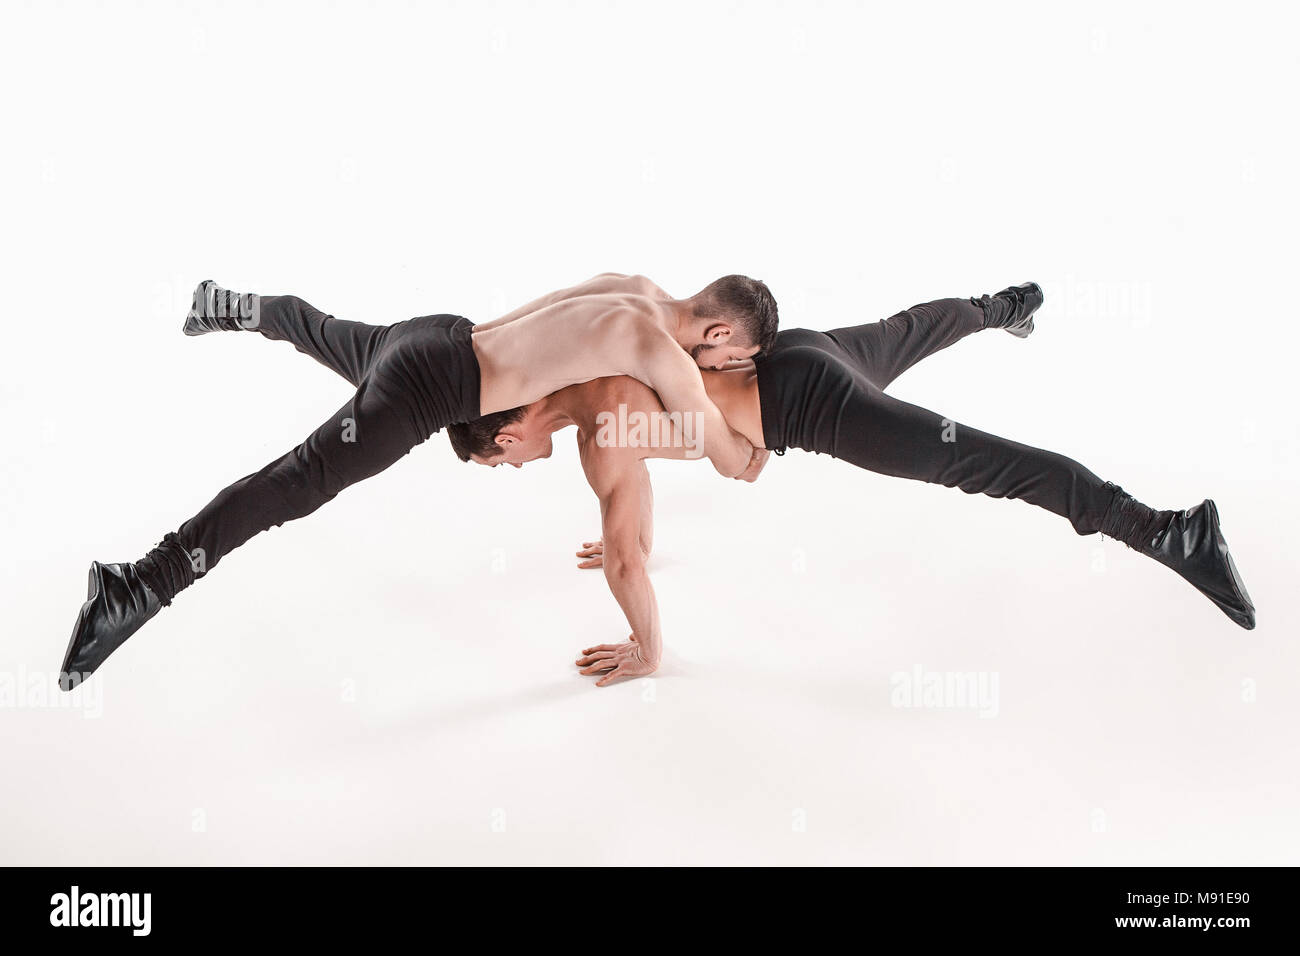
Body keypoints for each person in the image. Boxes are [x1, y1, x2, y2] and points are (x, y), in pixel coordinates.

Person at [447, 283, 1255, 685]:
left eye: (496, 462)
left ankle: (1166, 530)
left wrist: (648, 650)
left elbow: (646, 532)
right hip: (798, 351)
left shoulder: (597, 434)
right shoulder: (596, 352)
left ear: (508, 431)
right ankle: (1001, 306)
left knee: (986, 464)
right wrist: (639, 529)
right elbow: (638, 498)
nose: (508, 469)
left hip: (814, 406)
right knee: (907, 332)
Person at [59, 273, 779, 689]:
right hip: (430, 386)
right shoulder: (663, 350)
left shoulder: (636, 288)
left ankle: (222, 303)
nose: (723, 372)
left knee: (320, 328)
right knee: (294, 483)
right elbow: (720, 452)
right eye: (731, 361)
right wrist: (752, 454)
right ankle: (142, 584)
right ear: (718, 337)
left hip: (433, 335)